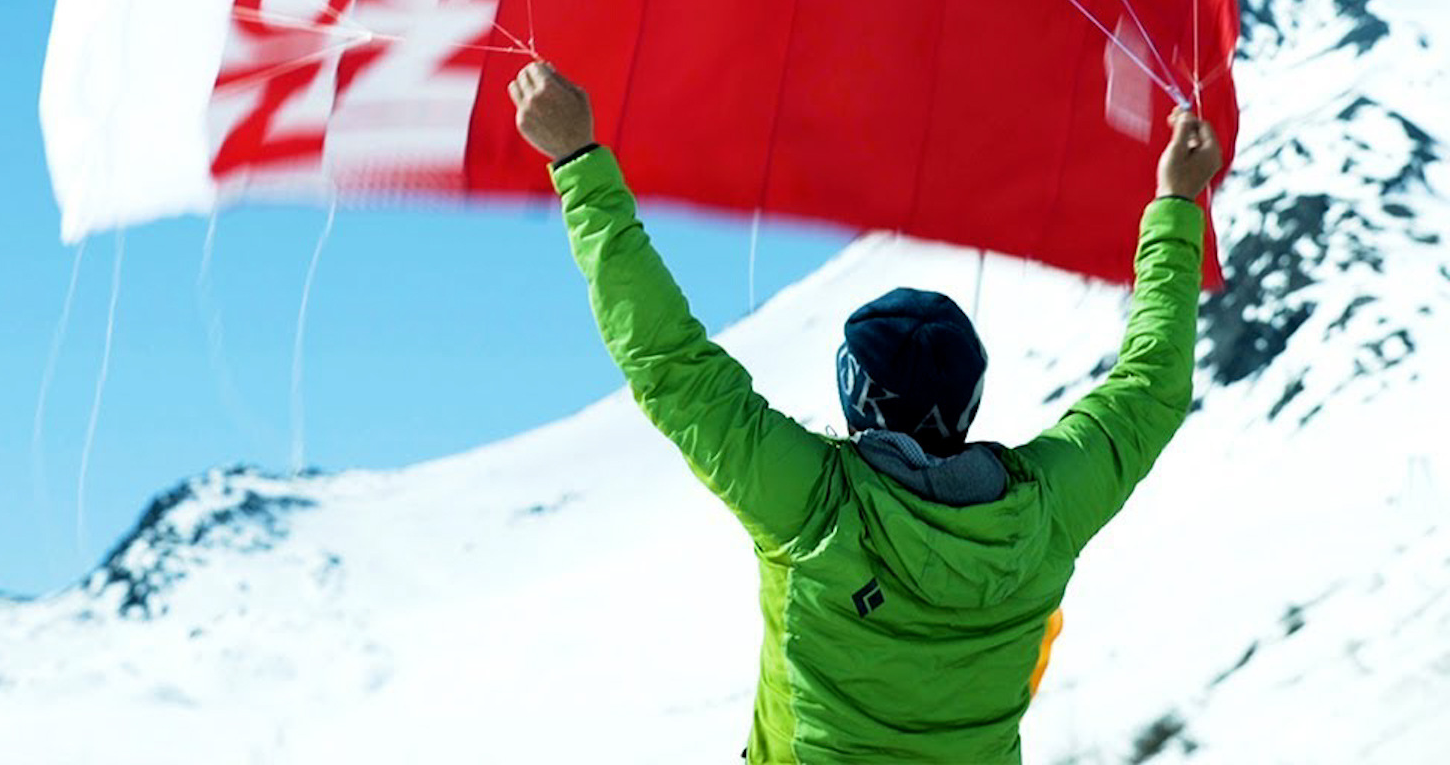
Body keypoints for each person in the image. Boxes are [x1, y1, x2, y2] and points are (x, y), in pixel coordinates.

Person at [507, 61, 1224, 763]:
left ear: (856, 396)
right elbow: (1152, 386)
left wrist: (577, 161)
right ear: (969, 398)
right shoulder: (1043, 512)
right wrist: (1178, 204)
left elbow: (668, 362)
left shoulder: (815, 505)